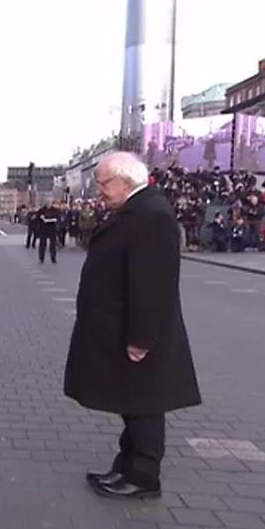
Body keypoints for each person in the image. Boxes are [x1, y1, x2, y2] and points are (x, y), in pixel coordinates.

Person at [64, 151, 201, 500]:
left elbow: (152, 283)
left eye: (103, 182)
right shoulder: (136, 211)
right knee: (132, 401)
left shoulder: (151, 216)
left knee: (144, 404)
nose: (99, 190)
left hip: (136, 332)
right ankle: (125, 466)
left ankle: (143, 476)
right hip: (119, 327)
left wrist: (142, 337)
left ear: (125, 181)